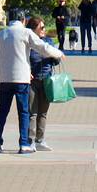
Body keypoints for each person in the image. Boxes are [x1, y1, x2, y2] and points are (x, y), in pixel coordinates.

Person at [0, 12, 64, 154]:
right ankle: (24, 144)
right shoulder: (25, 33)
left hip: (4, 79)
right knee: (24, 112)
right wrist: (58, 53)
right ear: (23, 20)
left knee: (2, 112)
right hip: (21, 79)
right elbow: (42, 47)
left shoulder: (1, 34)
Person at [27, 17, 62, 150]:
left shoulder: (48, 42)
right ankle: (30, 140)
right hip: (32, 81)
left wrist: (53, 57)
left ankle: (40, 140)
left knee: (43, 112)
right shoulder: (28, 44)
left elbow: (56, 60)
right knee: (32, 112)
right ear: (33, 29)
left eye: (44, 27)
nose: (44, 30)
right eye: (41, 27)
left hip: (47, 80)